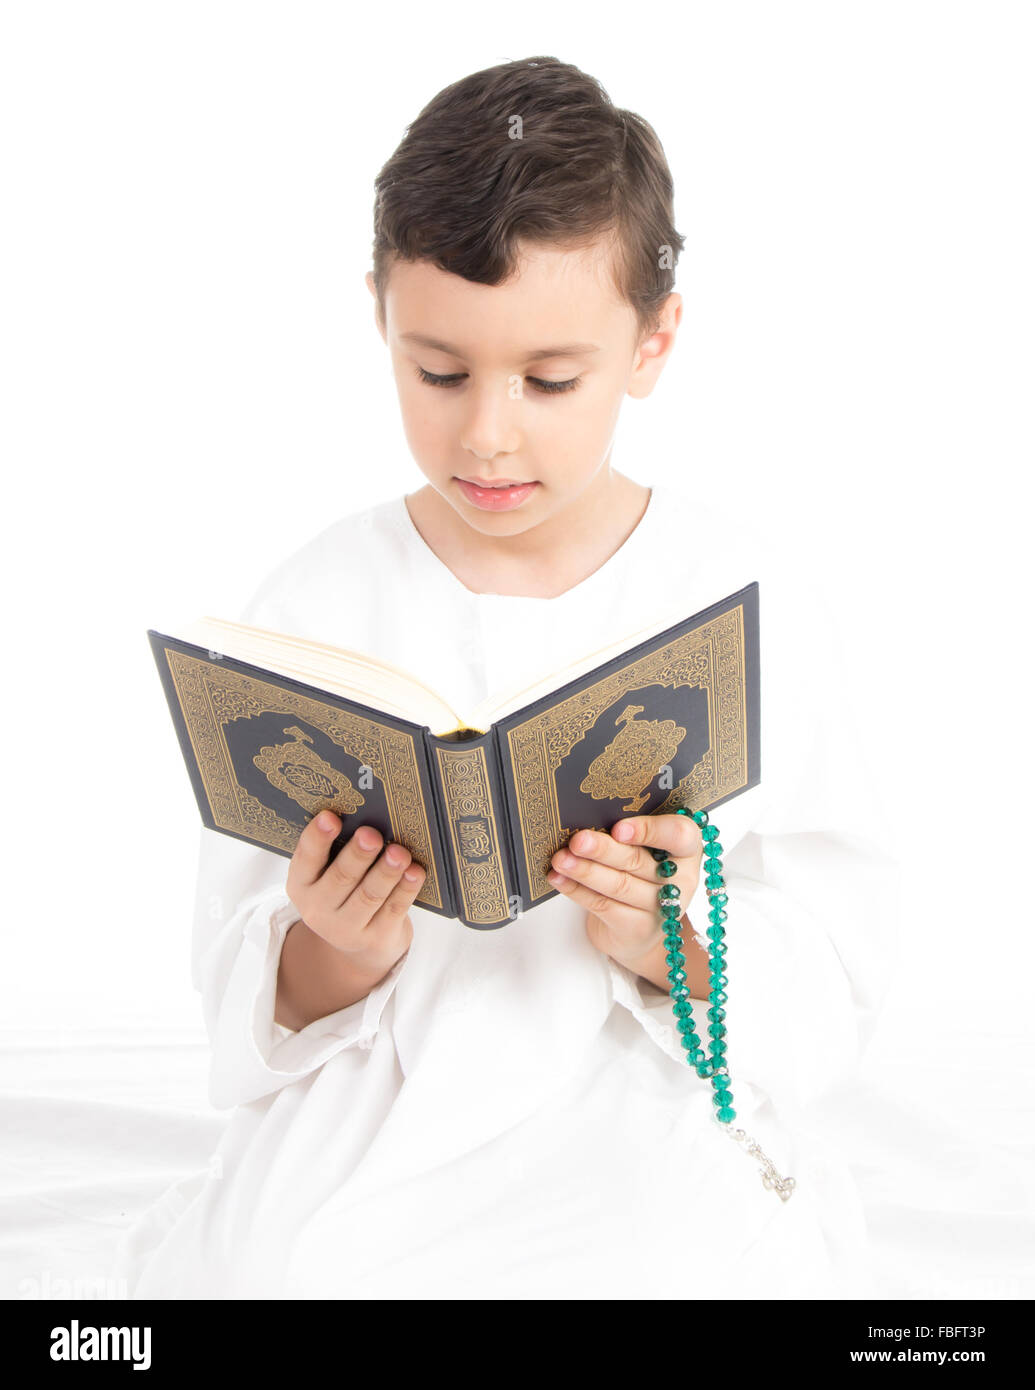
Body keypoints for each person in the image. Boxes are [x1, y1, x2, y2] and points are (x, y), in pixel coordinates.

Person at [112, 55, 896, 1300]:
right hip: (386, 1095)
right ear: (381, 317)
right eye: (440, 372)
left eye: (549, 380)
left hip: (633, 1088)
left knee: (687, 1262)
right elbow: (246, 975)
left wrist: (665, 934)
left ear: (652, 342)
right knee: (285, 1269)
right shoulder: (316, 601)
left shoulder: (739, 596)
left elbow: (833, 952)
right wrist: (332, 947)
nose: (488, 431)